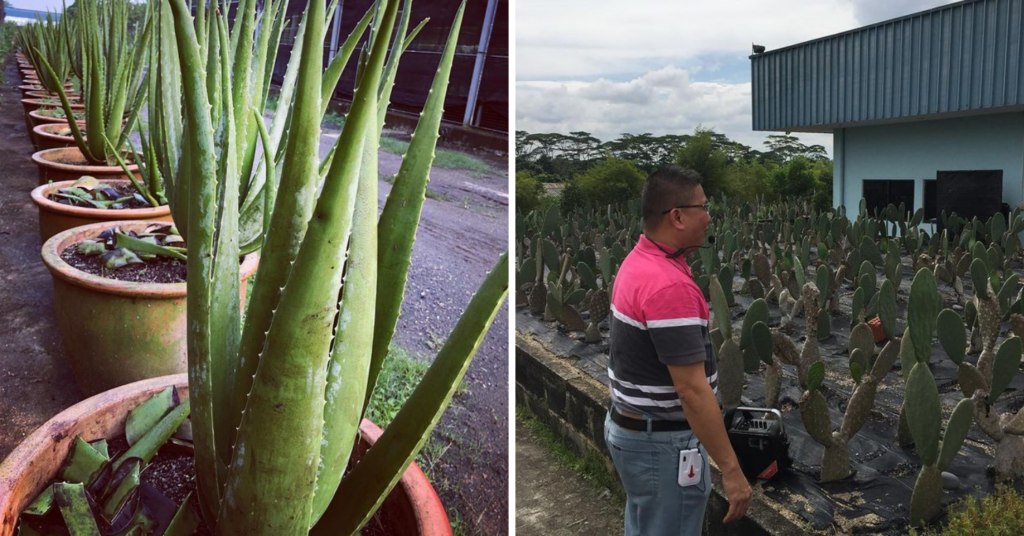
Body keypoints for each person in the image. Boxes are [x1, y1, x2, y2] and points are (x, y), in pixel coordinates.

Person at [604, 165, 751, 535]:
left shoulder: (639, 261)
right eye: (702, 206)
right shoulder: (669, 287)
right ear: (678, 216)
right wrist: (731, 471)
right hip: (663, 446)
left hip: (632, 430)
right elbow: (691, 389)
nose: (709, 216)